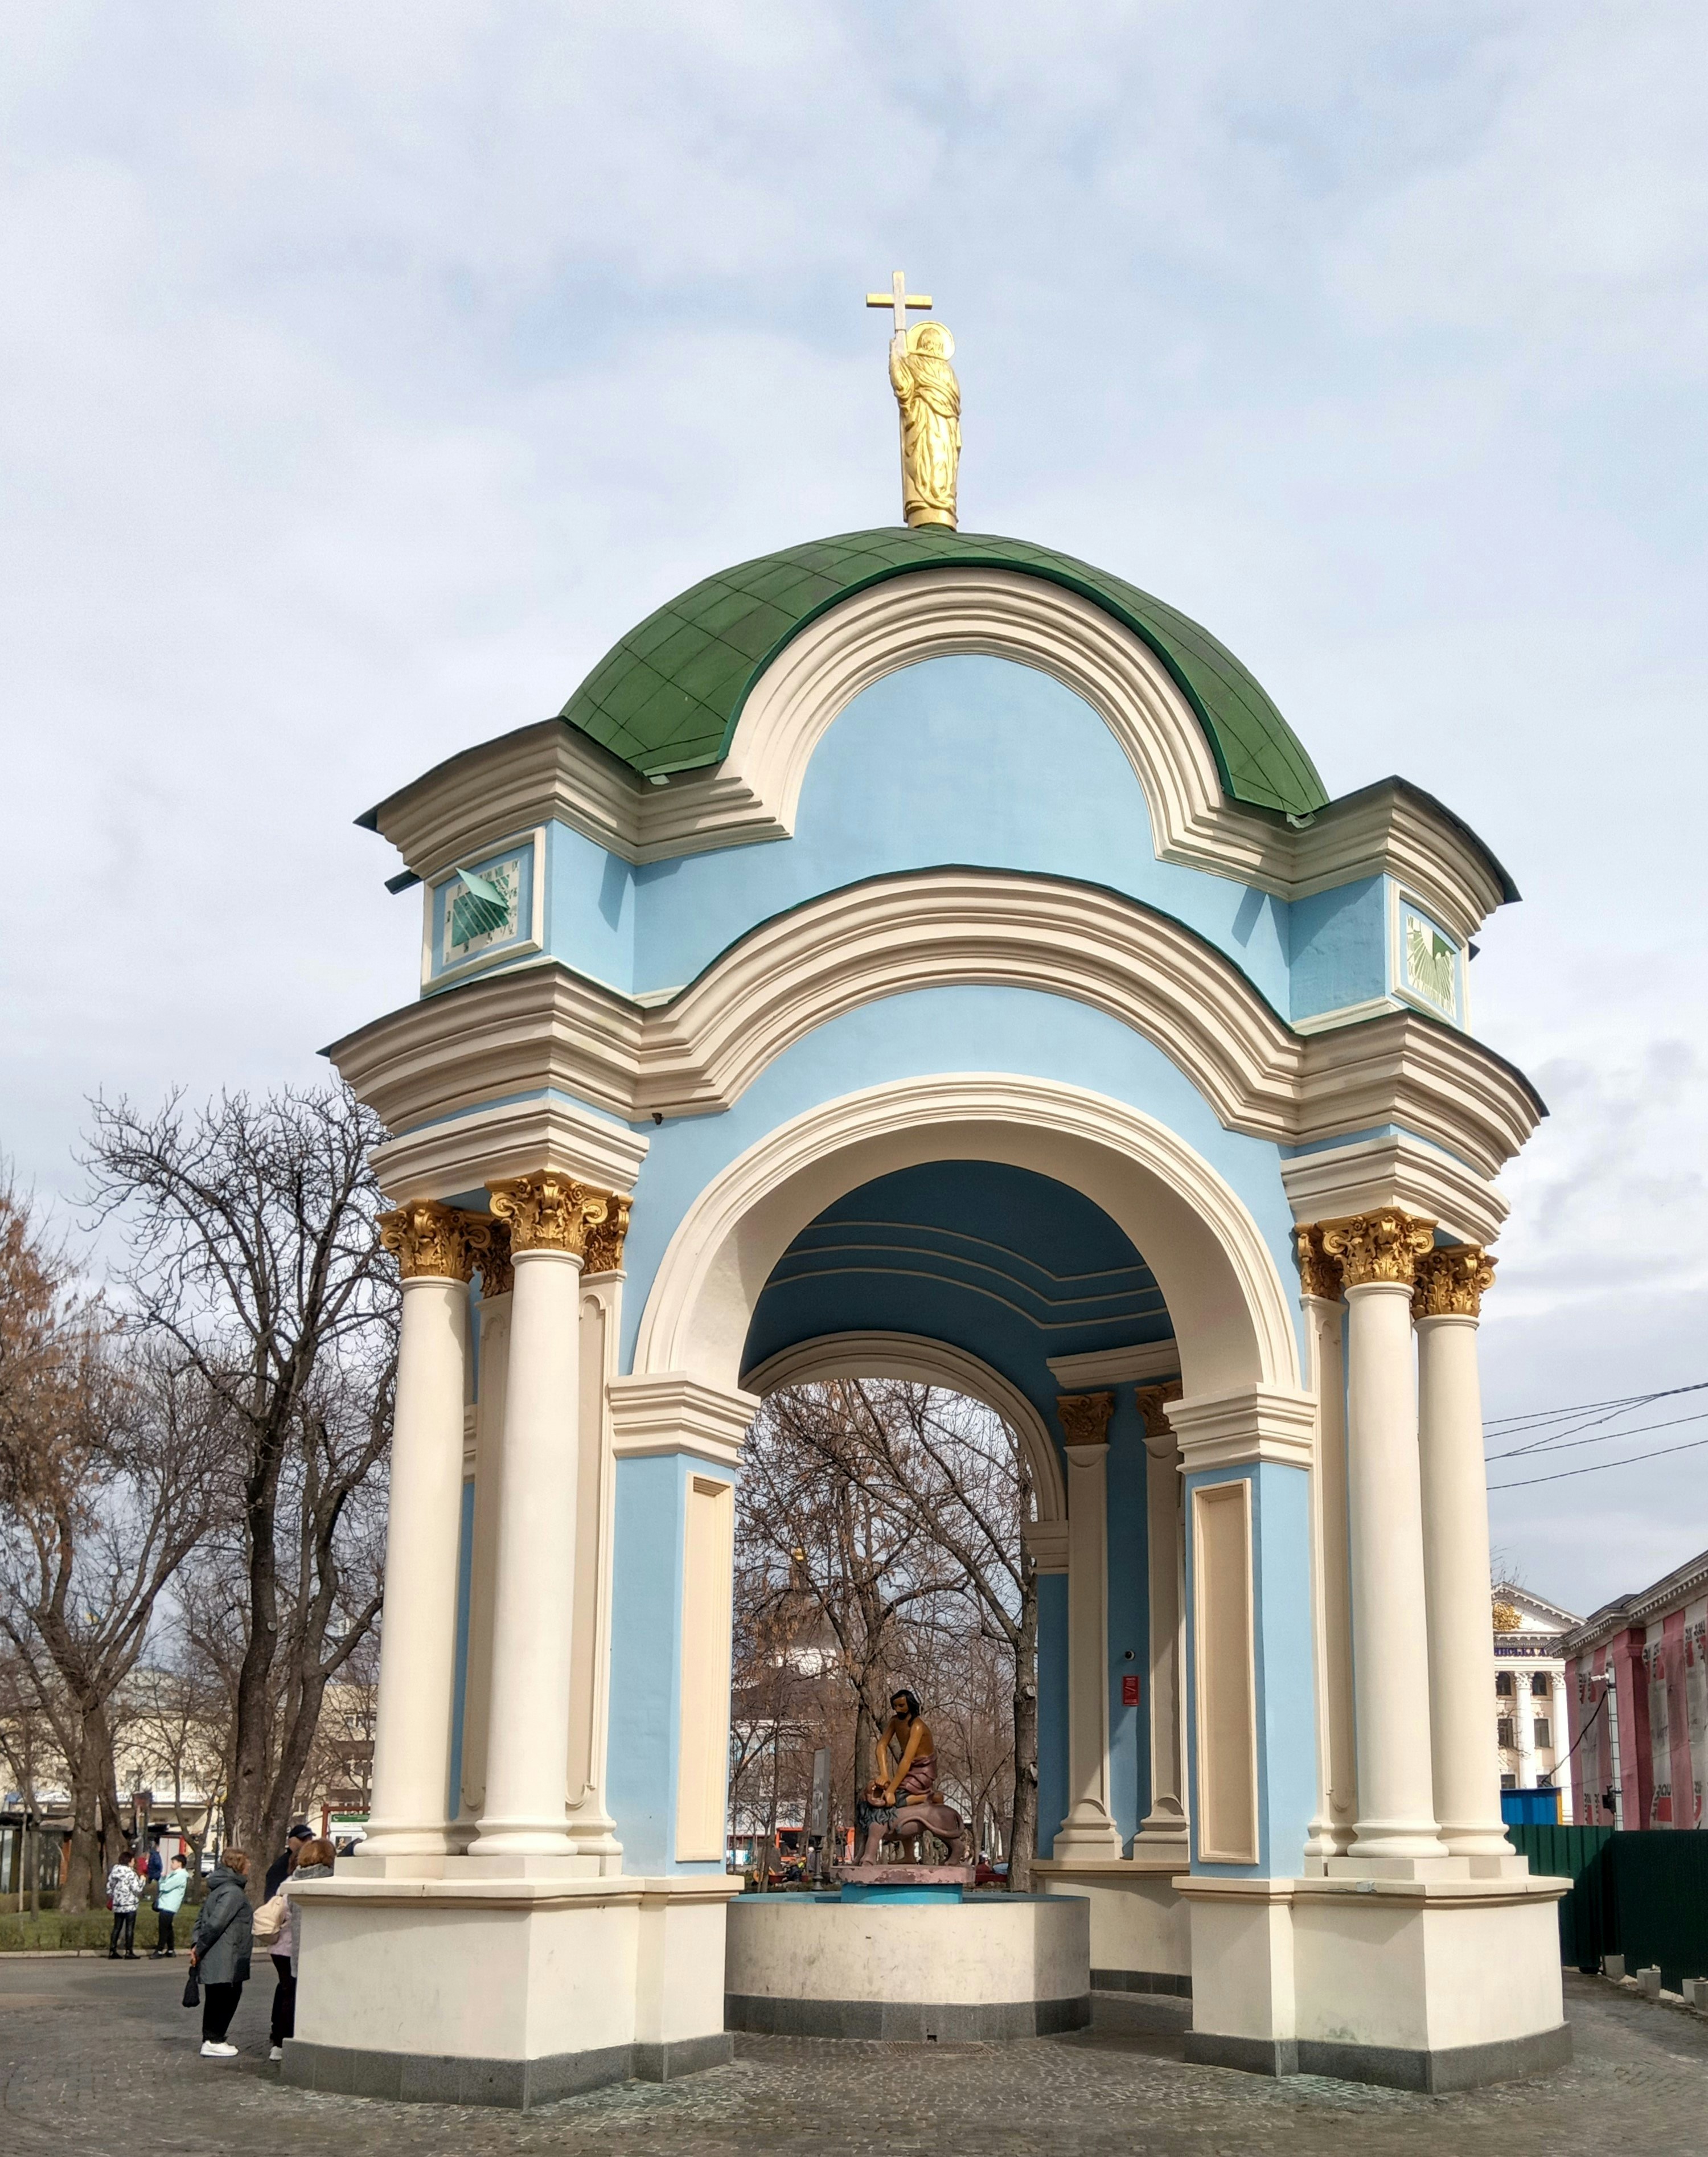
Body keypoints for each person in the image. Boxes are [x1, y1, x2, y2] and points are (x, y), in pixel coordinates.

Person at [267, 1836, 335, 2061]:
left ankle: (278, 2041)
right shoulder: (328, 1881)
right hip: (307, 1947)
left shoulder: (291, 1880)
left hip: (282, 1947)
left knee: (286, 1992)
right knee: (298, 1995)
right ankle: (297, 2038)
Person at [191, 1849, 254, 2058]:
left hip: (220, 1953)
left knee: (218, 1996)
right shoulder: (233, 1892)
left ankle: (213, 2038)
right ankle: (214, 2039)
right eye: (247, 1863)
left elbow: (201, 1920)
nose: (250, 1867)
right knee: (226, 1996)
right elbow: (216, 1923)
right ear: (239, 1866)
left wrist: (196, 1945)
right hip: (228, 1954)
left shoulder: (218, 1889)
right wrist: (199, 1948)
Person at [871, 1689, 939, 1808]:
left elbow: (907, 1760)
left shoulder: (917, 1726)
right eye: (895, 1706)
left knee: (897, 1800)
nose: (898, 1710)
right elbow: (881, 1745)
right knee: (890, 1790)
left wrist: (891, 1791)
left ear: (910, 1704)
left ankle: (931, 1797)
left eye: (901, 1706)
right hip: (907, 1767)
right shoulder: (894, 1721)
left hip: (923, 1769)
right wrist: (884, 1775)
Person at [106, 1848, 142, 1959]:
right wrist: (142, 1880)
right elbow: (137, 1889)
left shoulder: (114, 1871)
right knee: (129, 1928)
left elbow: (109, 1887)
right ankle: (129, 1951)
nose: (134, 1863)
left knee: (117, 1927)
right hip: (130, 1904)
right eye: (133, 1861)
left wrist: (113, 1896)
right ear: (129, 1861)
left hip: (118, 1904)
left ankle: (112, 1951)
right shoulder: (131, 1873)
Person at [151, 1852, 189, 1958]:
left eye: (173, 1862)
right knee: (168, 1928)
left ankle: (159, 1950)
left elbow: (166, 1887)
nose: (171, 1865)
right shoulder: (175, 1875)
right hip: (167, 1903)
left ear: (180, 1864)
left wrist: (161, 1881)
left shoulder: (180, 1875)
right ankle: (171, 1949)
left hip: (170, 1905)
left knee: (163, 1928)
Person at [264, 1823, 313, 1900]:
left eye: (310, 1838)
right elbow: (271, 1897)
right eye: (303, 1839)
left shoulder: (314, 1863)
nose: (307, 1842)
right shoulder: (280, 1865)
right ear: (290, 1842)